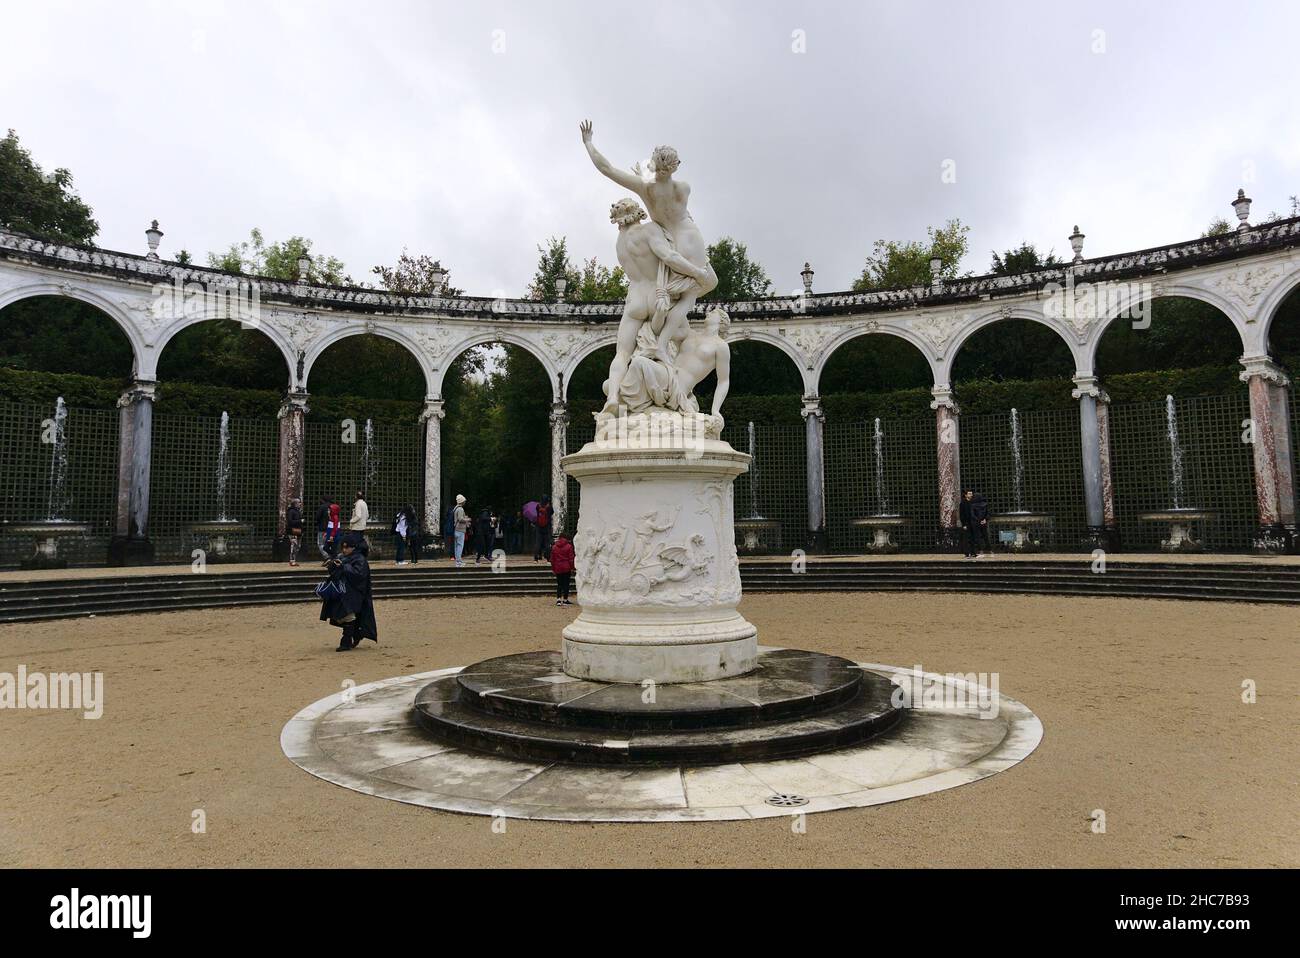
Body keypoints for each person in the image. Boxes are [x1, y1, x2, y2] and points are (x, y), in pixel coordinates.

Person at [319, 532, 378, 652]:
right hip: (342, 592)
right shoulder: (342, 557)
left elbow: (359, 575)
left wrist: (343, 567)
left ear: (353, 547)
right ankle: (356, 634)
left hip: (354, 594)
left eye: (347, 547)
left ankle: (346, 642)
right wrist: (332, 565)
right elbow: (335, 572)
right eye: (343, 547)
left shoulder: (360, 559)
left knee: (348, 616)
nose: (345, 549)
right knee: (340, 616)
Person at [959, 489, 991, 559]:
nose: (971, 495)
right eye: (969, 494)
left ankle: (973, 553)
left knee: (974, 538)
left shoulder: (974, 502)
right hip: (967, 523)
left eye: (971, 494)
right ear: (966, 495)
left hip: (974, 522)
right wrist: (964, 524)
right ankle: (967, 553)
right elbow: (961, 515)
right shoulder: (962, 503)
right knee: (967, 538)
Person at [550, 533, 575, 606]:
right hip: (566, 567)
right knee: (566, 584)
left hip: (558, 567)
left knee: (559, 584)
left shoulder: (554, 547)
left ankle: (558, 599)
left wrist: (553, 568)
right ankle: (565, 599)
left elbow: (552, 559)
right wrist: (572, 567)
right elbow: (571, 558)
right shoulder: (569, 546)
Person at [452, 494, 471, 567]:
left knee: (456, 546)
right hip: (460, 530)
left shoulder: (455, 508)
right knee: (460, 546)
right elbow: (460, 519)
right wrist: (467, 519)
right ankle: (459, 562)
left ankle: (458, 561)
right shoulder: (460, 509)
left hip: (456, 530)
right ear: (462, 501)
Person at [285, 497, 304, 567]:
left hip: (298, 530)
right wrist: (300, 521)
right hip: (292, 531)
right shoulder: (291, 511)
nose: (300, 504)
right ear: (295, 503)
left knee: (297, 546)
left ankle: (293, 560)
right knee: (294, 546)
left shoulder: (297, 511)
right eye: (299, 502)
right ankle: (292, 561)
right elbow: (290, 521)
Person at [534, 495, 553, 561]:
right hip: (547, 526)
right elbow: (552, 513)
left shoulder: (538, 506)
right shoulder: (549, 507)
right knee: (547, 542)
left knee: (538, 542)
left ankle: (536, 556)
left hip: (539, 527)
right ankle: (548, 556)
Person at [314, 495, 332, 559]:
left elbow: (317, 517)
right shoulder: (333, 506)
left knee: (321, 543)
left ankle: (327, 557)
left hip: (323, 528)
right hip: (331, 528)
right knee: (329, 543)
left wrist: (318, 523)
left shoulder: (322, 507)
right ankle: (330, 556)